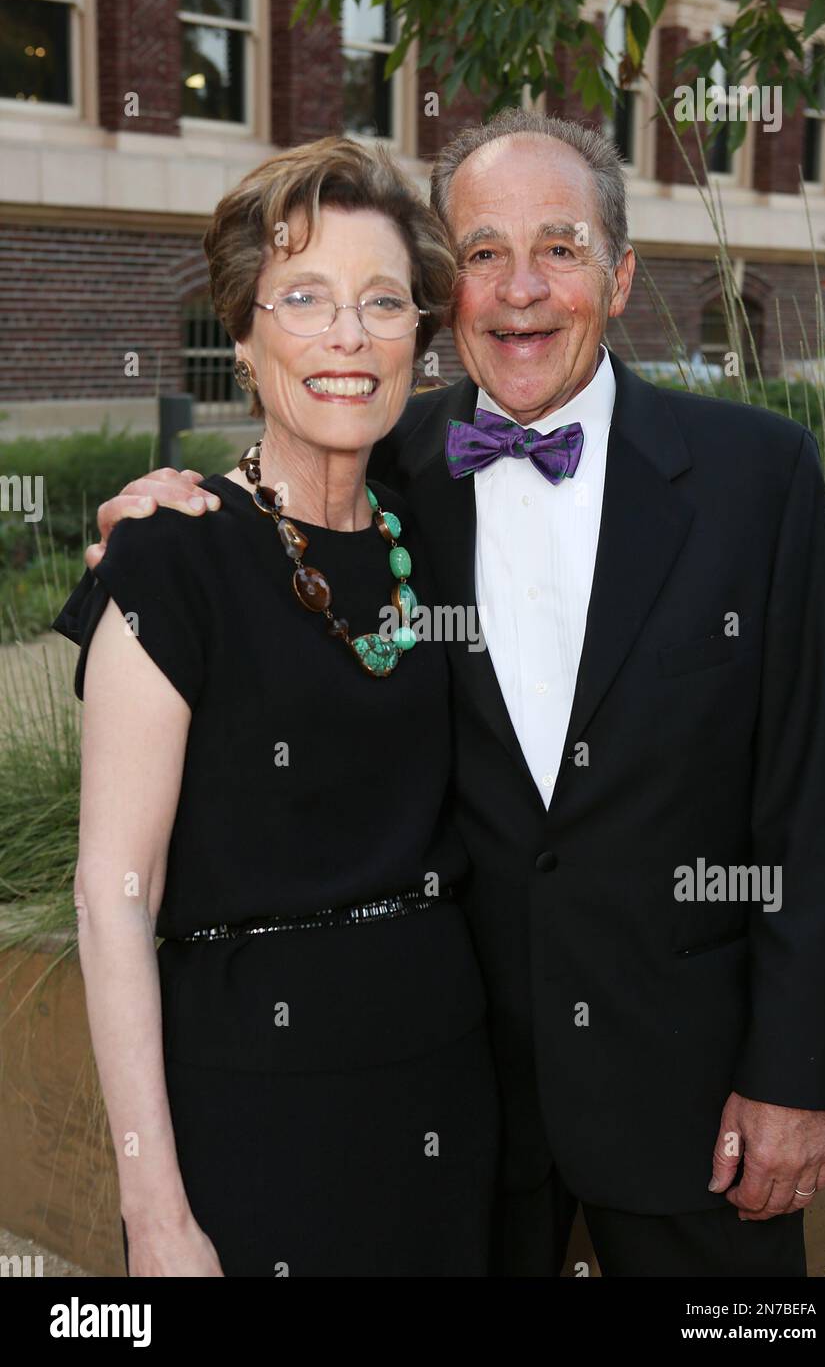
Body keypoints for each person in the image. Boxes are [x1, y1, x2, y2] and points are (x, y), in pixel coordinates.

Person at [57, 109, 825, 1278]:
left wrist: (794, 1073)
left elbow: (801, 798)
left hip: (697, 1113)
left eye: (560, 249)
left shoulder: (758, 478)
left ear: (620, 274)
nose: (520, 290)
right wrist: (149, 515)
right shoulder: (392, 466)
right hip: (464, 1118)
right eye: (482, 252)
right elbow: (266, 508)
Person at [55, 138, 501, 1277]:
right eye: (302, 299)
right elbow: (115, 898)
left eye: (382, 303)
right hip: (249, 1116)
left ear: (419, 336)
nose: (347, 337)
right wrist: (155, 1214)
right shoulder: (174, 557)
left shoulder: (438, 533)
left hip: (444, 1100)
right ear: (242, 338)